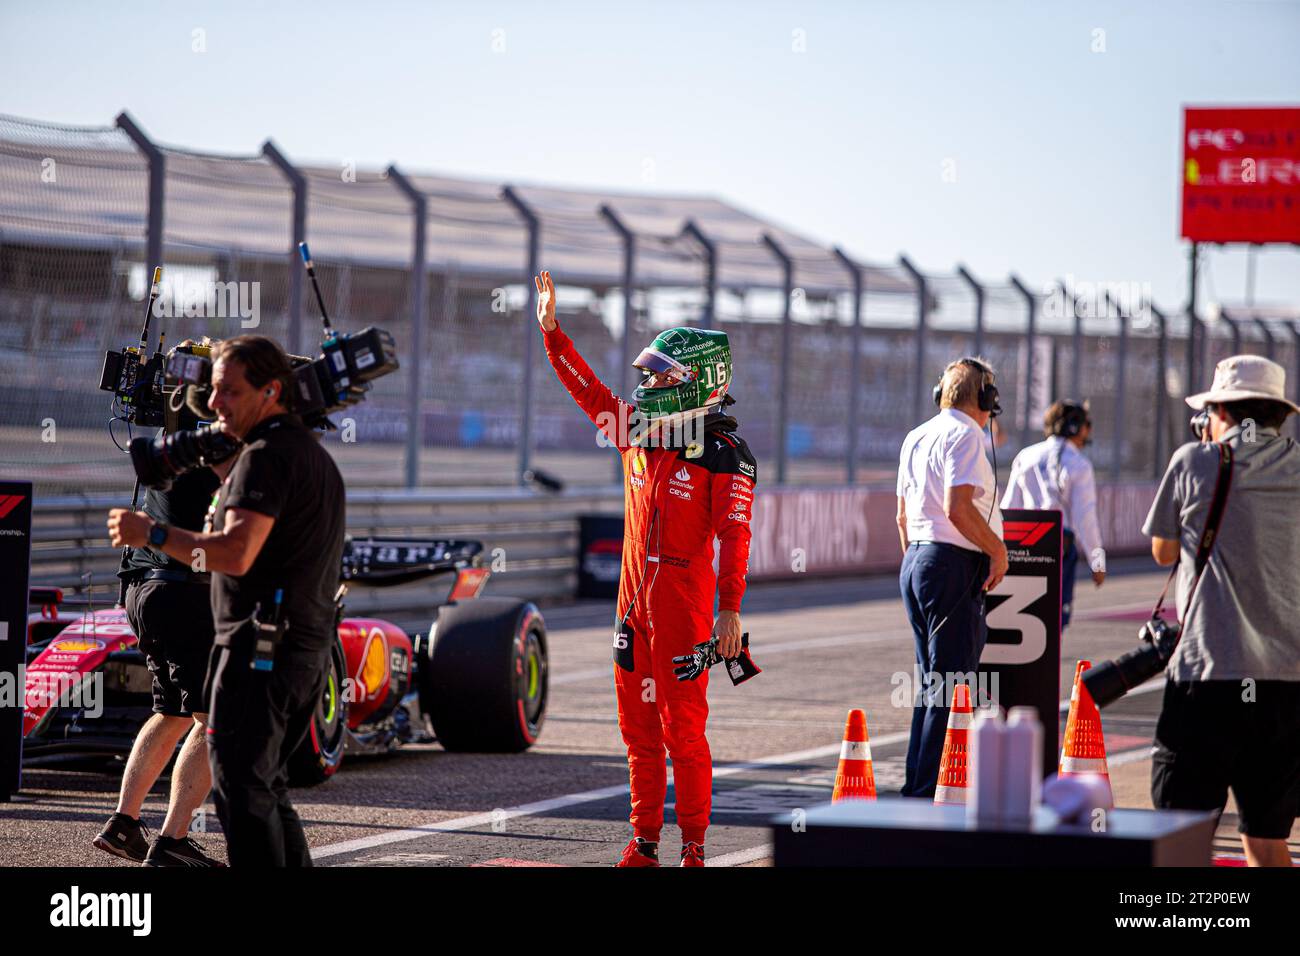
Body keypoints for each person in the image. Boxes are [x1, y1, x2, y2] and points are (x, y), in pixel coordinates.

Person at [533, 270, 756, 867]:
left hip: (684, 615)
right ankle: (645, 843)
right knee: (638, 734)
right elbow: (588, 391)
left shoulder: (726, 455)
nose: (648, 383)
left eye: (662, 375)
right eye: (649, 373)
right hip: (631, 610)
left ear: (697, 382)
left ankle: (696, 849)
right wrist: (554, 333)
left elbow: (736, 537)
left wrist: (730, 611)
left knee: (683, 732)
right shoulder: (636, 431)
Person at [109, 335, 346, 867]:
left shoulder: (266, 459)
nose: (215, 405)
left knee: (243, 788)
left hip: (263, 648)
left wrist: (153, 534)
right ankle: (148, 831)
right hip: (294, 645)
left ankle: (156, 834)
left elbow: (235, 554)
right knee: (263, 785)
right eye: (211, 391)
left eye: (228, 392)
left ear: (271, 391)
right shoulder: (303, 454)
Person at [1143, 354, 1300, 867]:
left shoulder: (1195, 462)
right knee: (1267, 840)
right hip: (1284, 686)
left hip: (1207, 676)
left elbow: (1164, 551)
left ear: (1222, 412)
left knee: (1181, 841)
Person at [95, 354, 223, 867]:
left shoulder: (169, 440)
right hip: (184, 591)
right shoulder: (219, 443)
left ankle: (124, 823)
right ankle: (172, 843)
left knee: (171, 712)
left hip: (142, 588)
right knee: (217, 721)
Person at [896, 357, 1008, 798]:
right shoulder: (967, 434)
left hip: (919, 561)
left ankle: (920, 787)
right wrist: (997, 550)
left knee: (932, 685)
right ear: (985, 398)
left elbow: (902, 516)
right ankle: (928, 793)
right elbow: (957, 508)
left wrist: (922, 566)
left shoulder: (917, 435)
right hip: (949, 564)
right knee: (951, 689)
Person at [1001, 399, 1106, 628]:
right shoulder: (1079, 464)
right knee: (1054, 620)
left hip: (1023, 545)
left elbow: (1009, 508)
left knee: (1021, 617)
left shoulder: (1025, 456)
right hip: (1058, 546)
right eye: (1087, 424)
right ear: (1075, 426)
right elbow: (1085, 518)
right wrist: (1098, 563)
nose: (1088, 431)